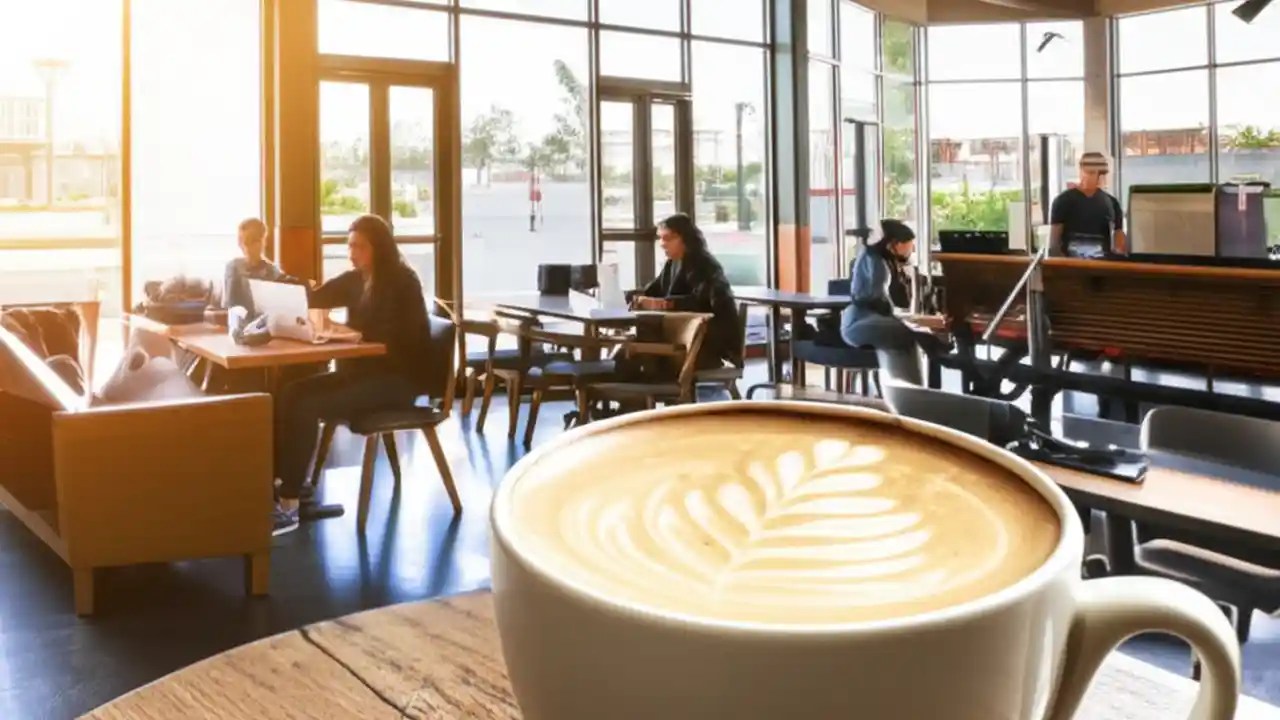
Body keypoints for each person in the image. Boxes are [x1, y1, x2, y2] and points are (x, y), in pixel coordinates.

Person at [270, 214, 433, 535]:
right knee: (289, 392)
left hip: (396, 381)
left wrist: (351, 333)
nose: (352, 253)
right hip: (362, 374)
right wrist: (282, 288)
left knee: (306, 405)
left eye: (359, 246)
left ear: (379, 247)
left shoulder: (403, 282)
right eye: (349, 246)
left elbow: (405, 339)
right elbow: (316, 297)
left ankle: (290, 503)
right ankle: (287, 487)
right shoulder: (357, 278)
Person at [635, 213, 741, 370]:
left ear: (684, 238)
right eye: (660, 238)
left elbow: (703, 302)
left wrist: (664, 304)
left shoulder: (703, 263)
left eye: (667, 238)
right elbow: (651, 291)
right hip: (685, 336)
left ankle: (652, 386)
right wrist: (629, 297)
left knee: (640, 347)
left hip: (707, 341)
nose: (662, 244)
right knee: (632, 346)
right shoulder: (673, 263)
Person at [840, 219, 923, 385]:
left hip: (865, 318)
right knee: (909, 333)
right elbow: (874, 298)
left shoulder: (882, 259)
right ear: (893, 242)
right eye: (906, 244)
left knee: (909, 335)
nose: (910, 249)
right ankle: (910, 389)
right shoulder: (873, 259)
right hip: (859, 321)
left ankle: (909, 387)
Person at [1049, 152, 1126, 257]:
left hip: (1102, 266)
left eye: (1095, 173)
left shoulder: (1112, 203)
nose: (1089, 177)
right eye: (1088, 172)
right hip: (1070, 266)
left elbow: (1119, 242)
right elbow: (1054, 244)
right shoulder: (1063, 201)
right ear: (1080, 171)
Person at [224, 218, 289, 315]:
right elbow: (232, 305)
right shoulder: (234, 268)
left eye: (253, 241)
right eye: (243, 242)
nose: (247, 247)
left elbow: (280, 306)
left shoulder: (274, 272)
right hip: (242, 325)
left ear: (263, 241)